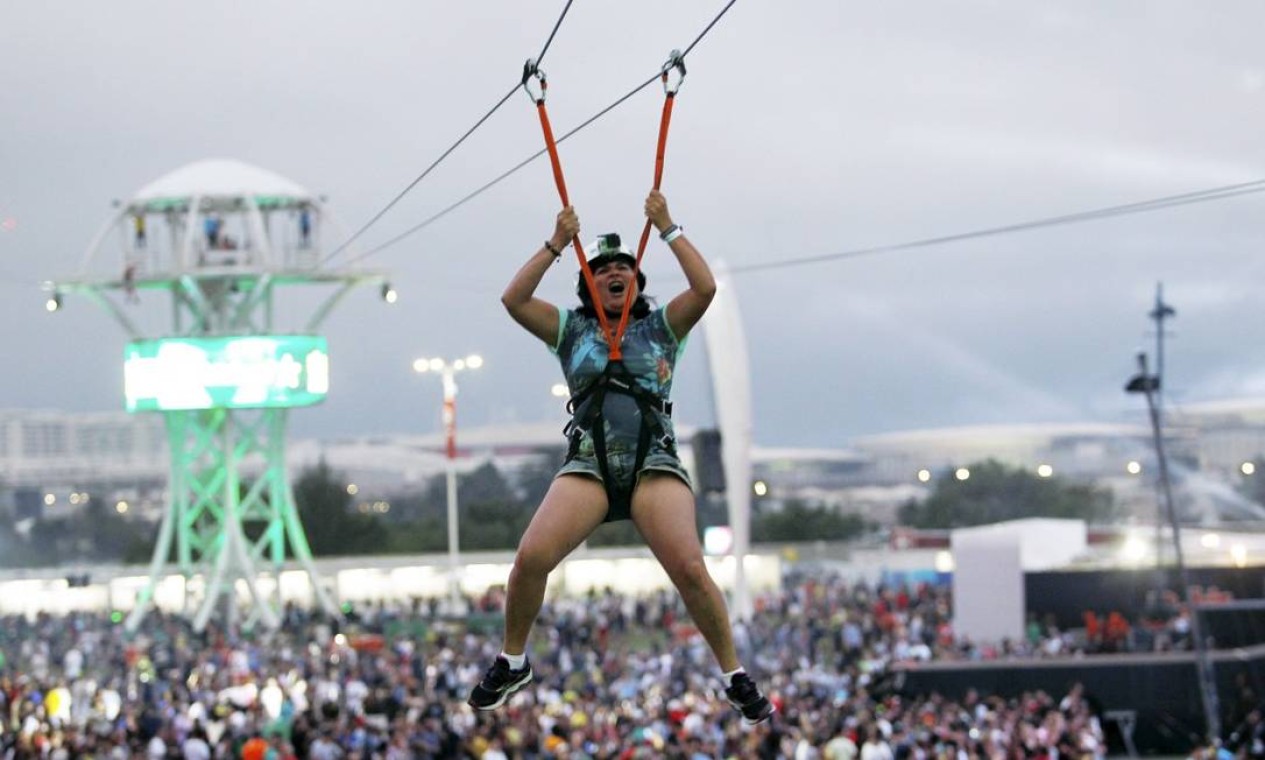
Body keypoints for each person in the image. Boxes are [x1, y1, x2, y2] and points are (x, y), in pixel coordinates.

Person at [467, 189, 774, 726]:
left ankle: (733, 674)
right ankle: (513, 661)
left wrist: (669, 228)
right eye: (603, 269)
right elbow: (513, 300)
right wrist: (555, 244)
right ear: (590, 284)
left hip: (654, 465)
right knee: (530, 559)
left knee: (690, 570)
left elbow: (705, 288)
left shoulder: (662, 329)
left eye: (624, 269)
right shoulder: (571, 331)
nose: (614, 274)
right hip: (588, 465)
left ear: (636, 284)